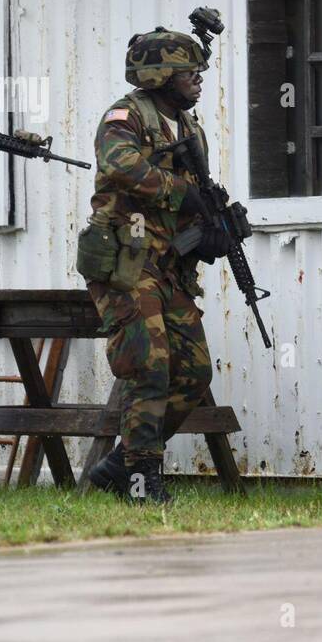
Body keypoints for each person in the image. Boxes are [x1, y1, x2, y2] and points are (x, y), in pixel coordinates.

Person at [80, 27, 227, 505]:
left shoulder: (189, 126)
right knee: (149, 367)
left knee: (194, 371)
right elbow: (121, 165)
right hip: (128, 260)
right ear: (161, 75)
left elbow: (193, 193)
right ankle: (143, 483)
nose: (199, 79)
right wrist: (181, 192)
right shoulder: (125, 117)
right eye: (189, 72)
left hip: (169, 264)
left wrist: (213, 224)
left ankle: (121, 465)